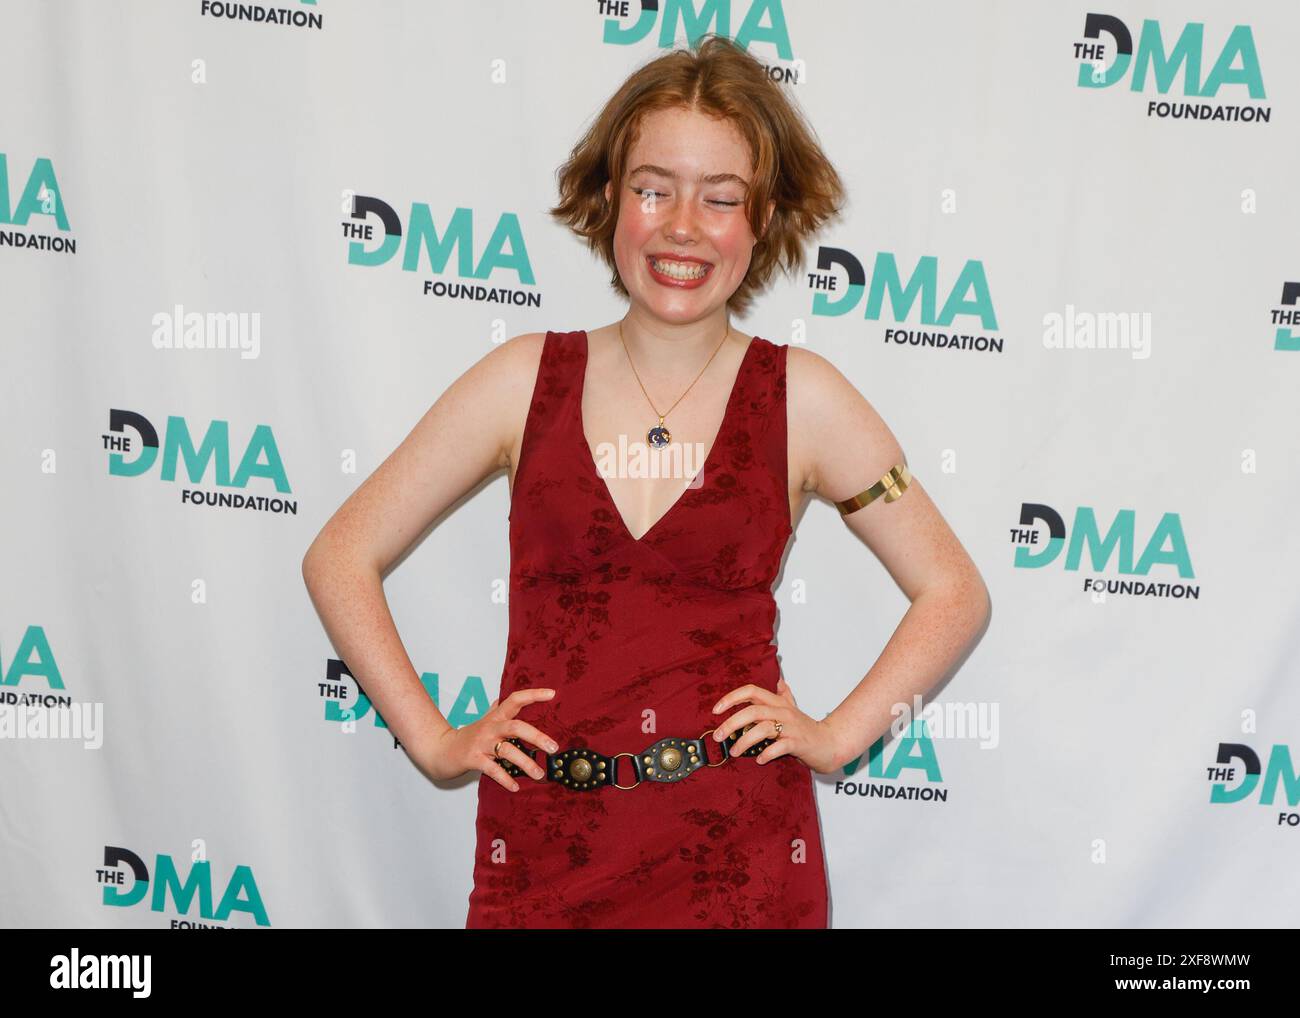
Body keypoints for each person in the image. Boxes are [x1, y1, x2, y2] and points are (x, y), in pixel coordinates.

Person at [302, 34, 990, 929]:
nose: (682, 227)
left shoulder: (805, 399)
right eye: (653, 188)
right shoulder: (523, 380)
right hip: (540, 849)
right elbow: (341, 554)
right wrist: (434, 741)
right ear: (609, 198)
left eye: (721, 199)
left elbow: (953, 591)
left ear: (763, 219)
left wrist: (836, 737)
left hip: (741, 861)